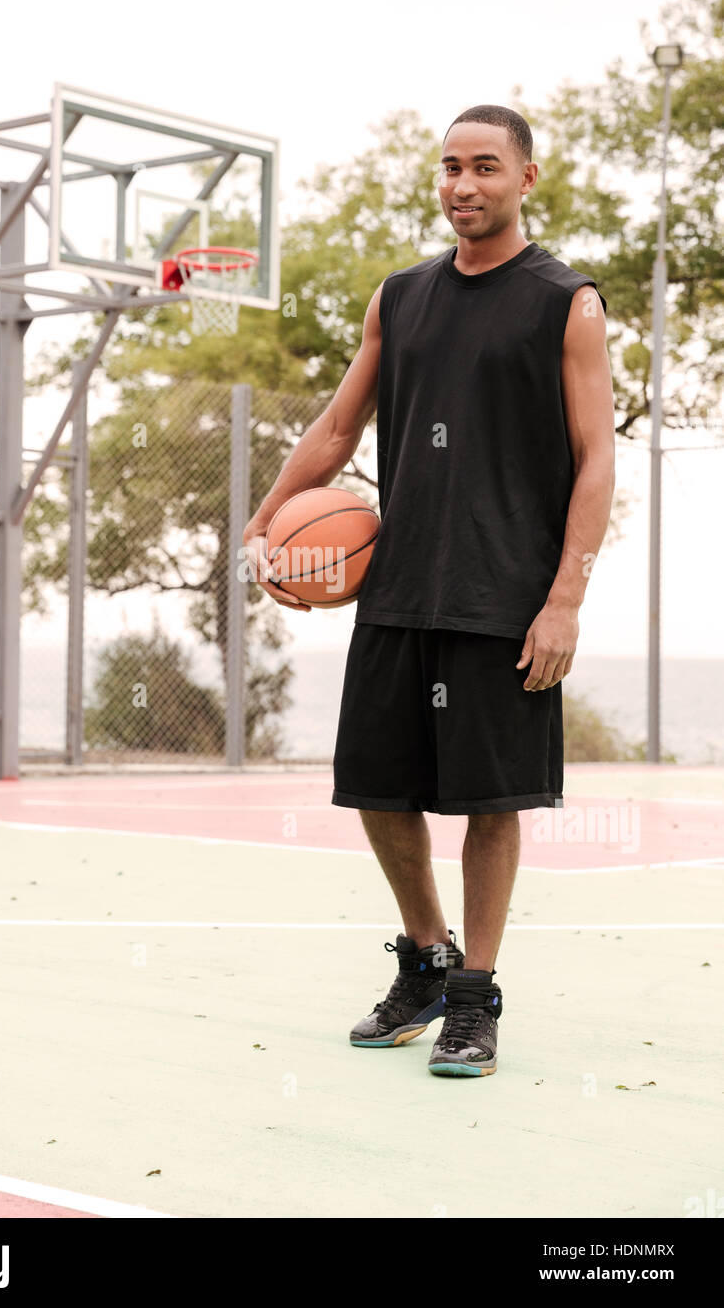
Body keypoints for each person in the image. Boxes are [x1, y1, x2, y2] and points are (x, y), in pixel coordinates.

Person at [243, 104, 615, 1077]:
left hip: (503, 597)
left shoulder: (562, 302)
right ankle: (425, 953)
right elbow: (334, 429)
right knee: (375, 786)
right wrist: (265, 520)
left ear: (525, 178)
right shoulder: (399, 298)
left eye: (483, 167)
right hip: (397, 588)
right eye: (449, 167)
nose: (462, 184)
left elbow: (594, 460)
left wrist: (563, 598)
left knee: (491, 803)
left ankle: (473, 997)